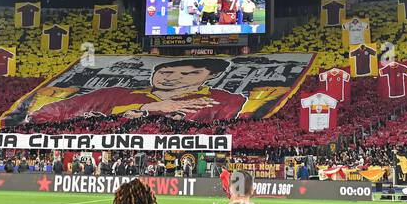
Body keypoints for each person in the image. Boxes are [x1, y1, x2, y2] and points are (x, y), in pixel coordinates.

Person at [28, 58, 245, 123]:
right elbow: (43, 115)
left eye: (189, 73)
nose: (172, 78)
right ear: (154, 72)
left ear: (211, 76)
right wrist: (147, 107)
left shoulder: (225, 99)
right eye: (166, 72)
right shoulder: (112, 94)